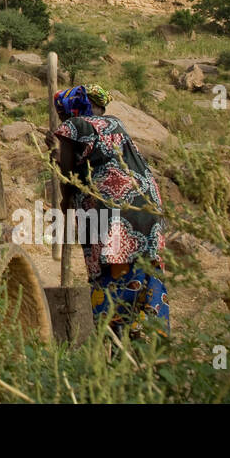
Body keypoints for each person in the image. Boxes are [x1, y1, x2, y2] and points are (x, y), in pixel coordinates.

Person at [50, 83, 170, 339]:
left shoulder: (75, 125)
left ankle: (117, 346)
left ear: (70, 110)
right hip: (147, 208)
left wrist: (64, 200)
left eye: (61, 113)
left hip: (111, 211)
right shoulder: (115, 124)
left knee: (111, 273)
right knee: (146, 270)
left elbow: (70, 176)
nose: (61, 118)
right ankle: (152, 342)